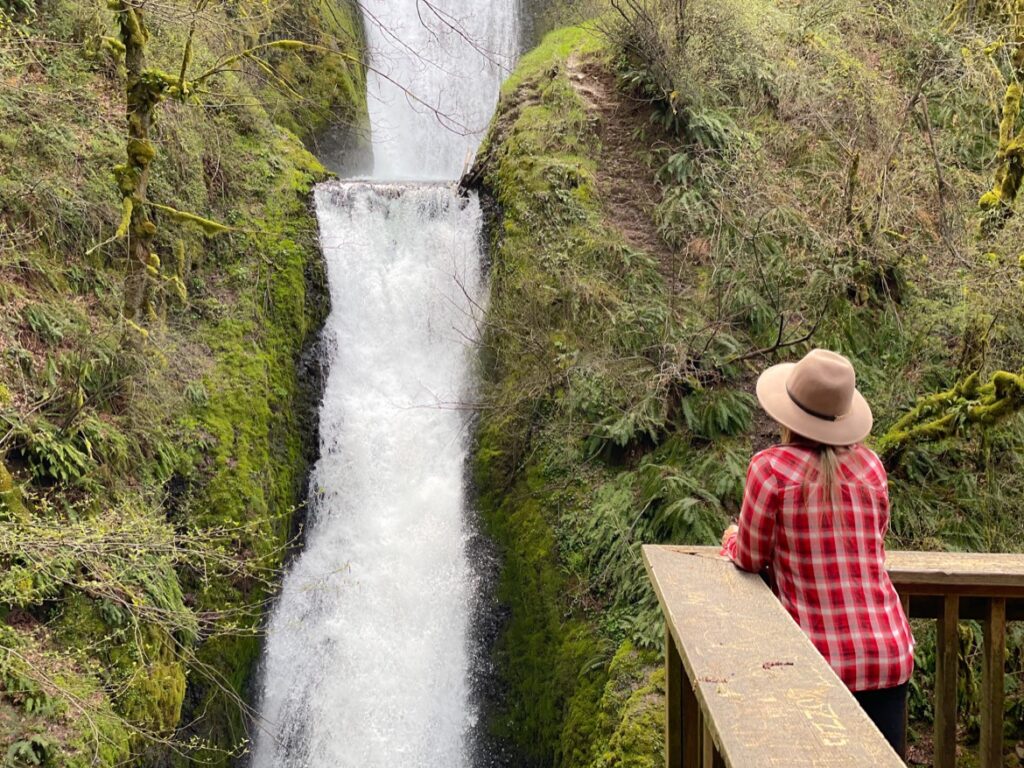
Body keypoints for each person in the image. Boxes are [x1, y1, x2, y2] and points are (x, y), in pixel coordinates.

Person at [720, 348, 914, 756]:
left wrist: (731, 538)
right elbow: (875, 543)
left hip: (816, 662)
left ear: (788, 413)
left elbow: (750, 557)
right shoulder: (871, 467)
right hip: (887, 654)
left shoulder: (770, 469)